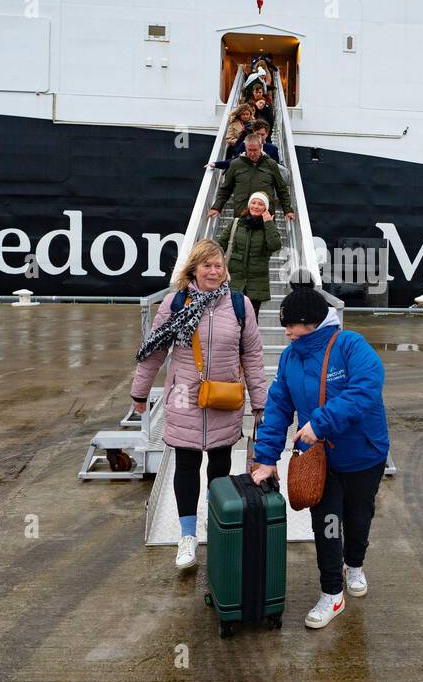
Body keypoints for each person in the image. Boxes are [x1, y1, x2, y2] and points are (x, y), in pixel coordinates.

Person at [251, 284, 390, 629]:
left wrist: (320, 423)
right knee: (326, 525)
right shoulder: (290, 356)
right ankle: (332, 593)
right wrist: (266, 457)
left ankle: (354, 565)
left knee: (358, 520)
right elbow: (278, 407)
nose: (286, 333)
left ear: (311, 322)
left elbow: (366, 389)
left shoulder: (350, 345)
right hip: (319, 462)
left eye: (290, 326)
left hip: (363, 455)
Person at [131, 239, 269, 569]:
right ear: (194, 268)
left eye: (218, 265)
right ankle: (188, 537)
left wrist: (260, 403)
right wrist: (140, 393)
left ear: (226, 271)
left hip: (225, 398)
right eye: (206, 265)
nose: (213, 271)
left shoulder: (239, 305)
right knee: (187, 466)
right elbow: (155, 350)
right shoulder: (175, 303)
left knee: (221, 468)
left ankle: (216, 523)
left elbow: (252, 355)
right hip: (185, 398)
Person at [217, 192, 282, 313]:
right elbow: (220, 245)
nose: (256, 206)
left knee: (251, 321)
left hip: (257, 282)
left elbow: (275, 245)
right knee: (232, 318)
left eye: (260, 204)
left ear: (265, 208)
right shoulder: (237, 223)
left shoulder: (268, 226)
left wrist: (268, 223)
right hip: (235, 279)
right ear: (249, 204)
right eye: (253, 202)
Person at [209, 133, 294, 220]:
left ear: (261, 147)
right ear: (245, 148)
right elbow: (226, 189)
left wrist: (288, 210)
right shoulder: (235, 164)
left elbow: (281, 189)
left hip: (265, 217)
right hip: (241, 215)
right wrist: (216, 207)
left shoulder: (271, 164)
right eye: (249, 150)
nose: (252, 153)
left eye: (255, 150)